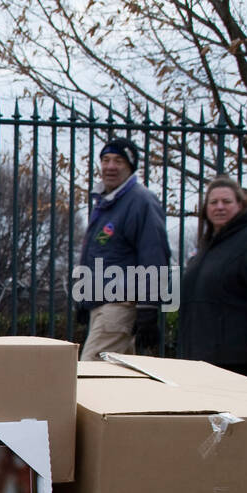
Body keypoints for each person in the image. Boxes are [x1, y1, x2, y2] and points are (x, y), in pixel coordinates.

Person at [178, 175, 247, 377]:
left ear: (240, 205)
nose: (219, 207)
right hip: (208, 351)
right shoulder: (209, 246)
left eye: (226, 201)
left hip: (238, 353)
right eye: (213, 202)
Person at [75, 136, 171, 359]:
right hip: (102, 303)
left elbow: (154, 254)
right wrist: (84, 296)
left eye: (118, 161)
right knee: (118, 376)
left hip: (120, 305)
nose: (110, 166)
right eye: (106, 160)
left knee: (90, 371)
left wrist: (149, 306)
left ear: (130, 166)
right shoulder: (107, 203)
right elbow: (99, 255)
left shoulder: (140, 201)